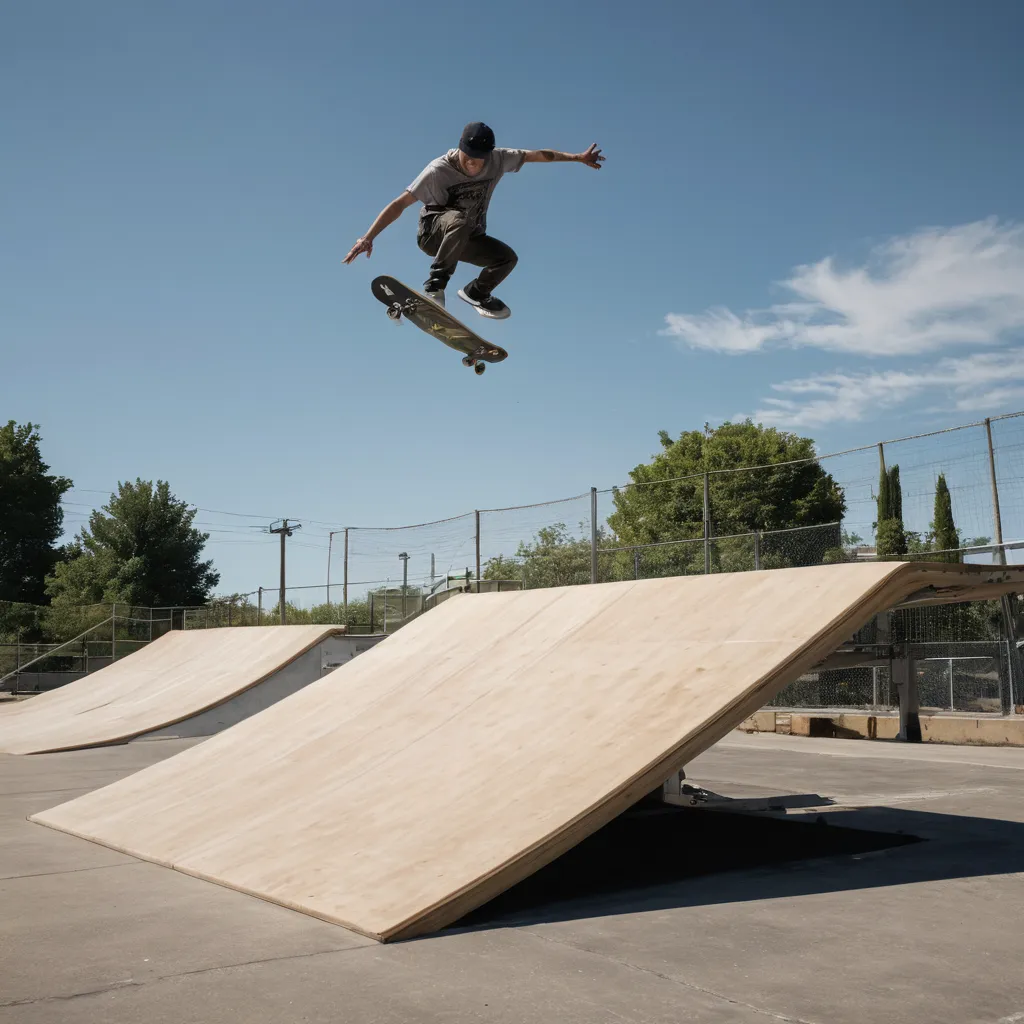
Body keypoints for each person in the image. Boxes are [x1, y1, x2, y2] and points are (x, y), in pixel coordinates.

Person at [343, 122, 604, 319]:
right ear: (460, 148)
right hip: (433, 234)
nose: (472, 164)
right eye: (467, 157)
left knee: (506, 258)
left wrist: (577, 157)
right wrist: (368, 237)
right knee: (459, 219)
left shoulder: (500, 158)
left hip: (466, 237)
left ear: (488, 154)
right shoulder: (438, 169)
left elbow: (538, 155)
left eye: (479, 159)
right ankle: (434, 288)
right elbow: (400, 203)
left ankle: (476, 293)